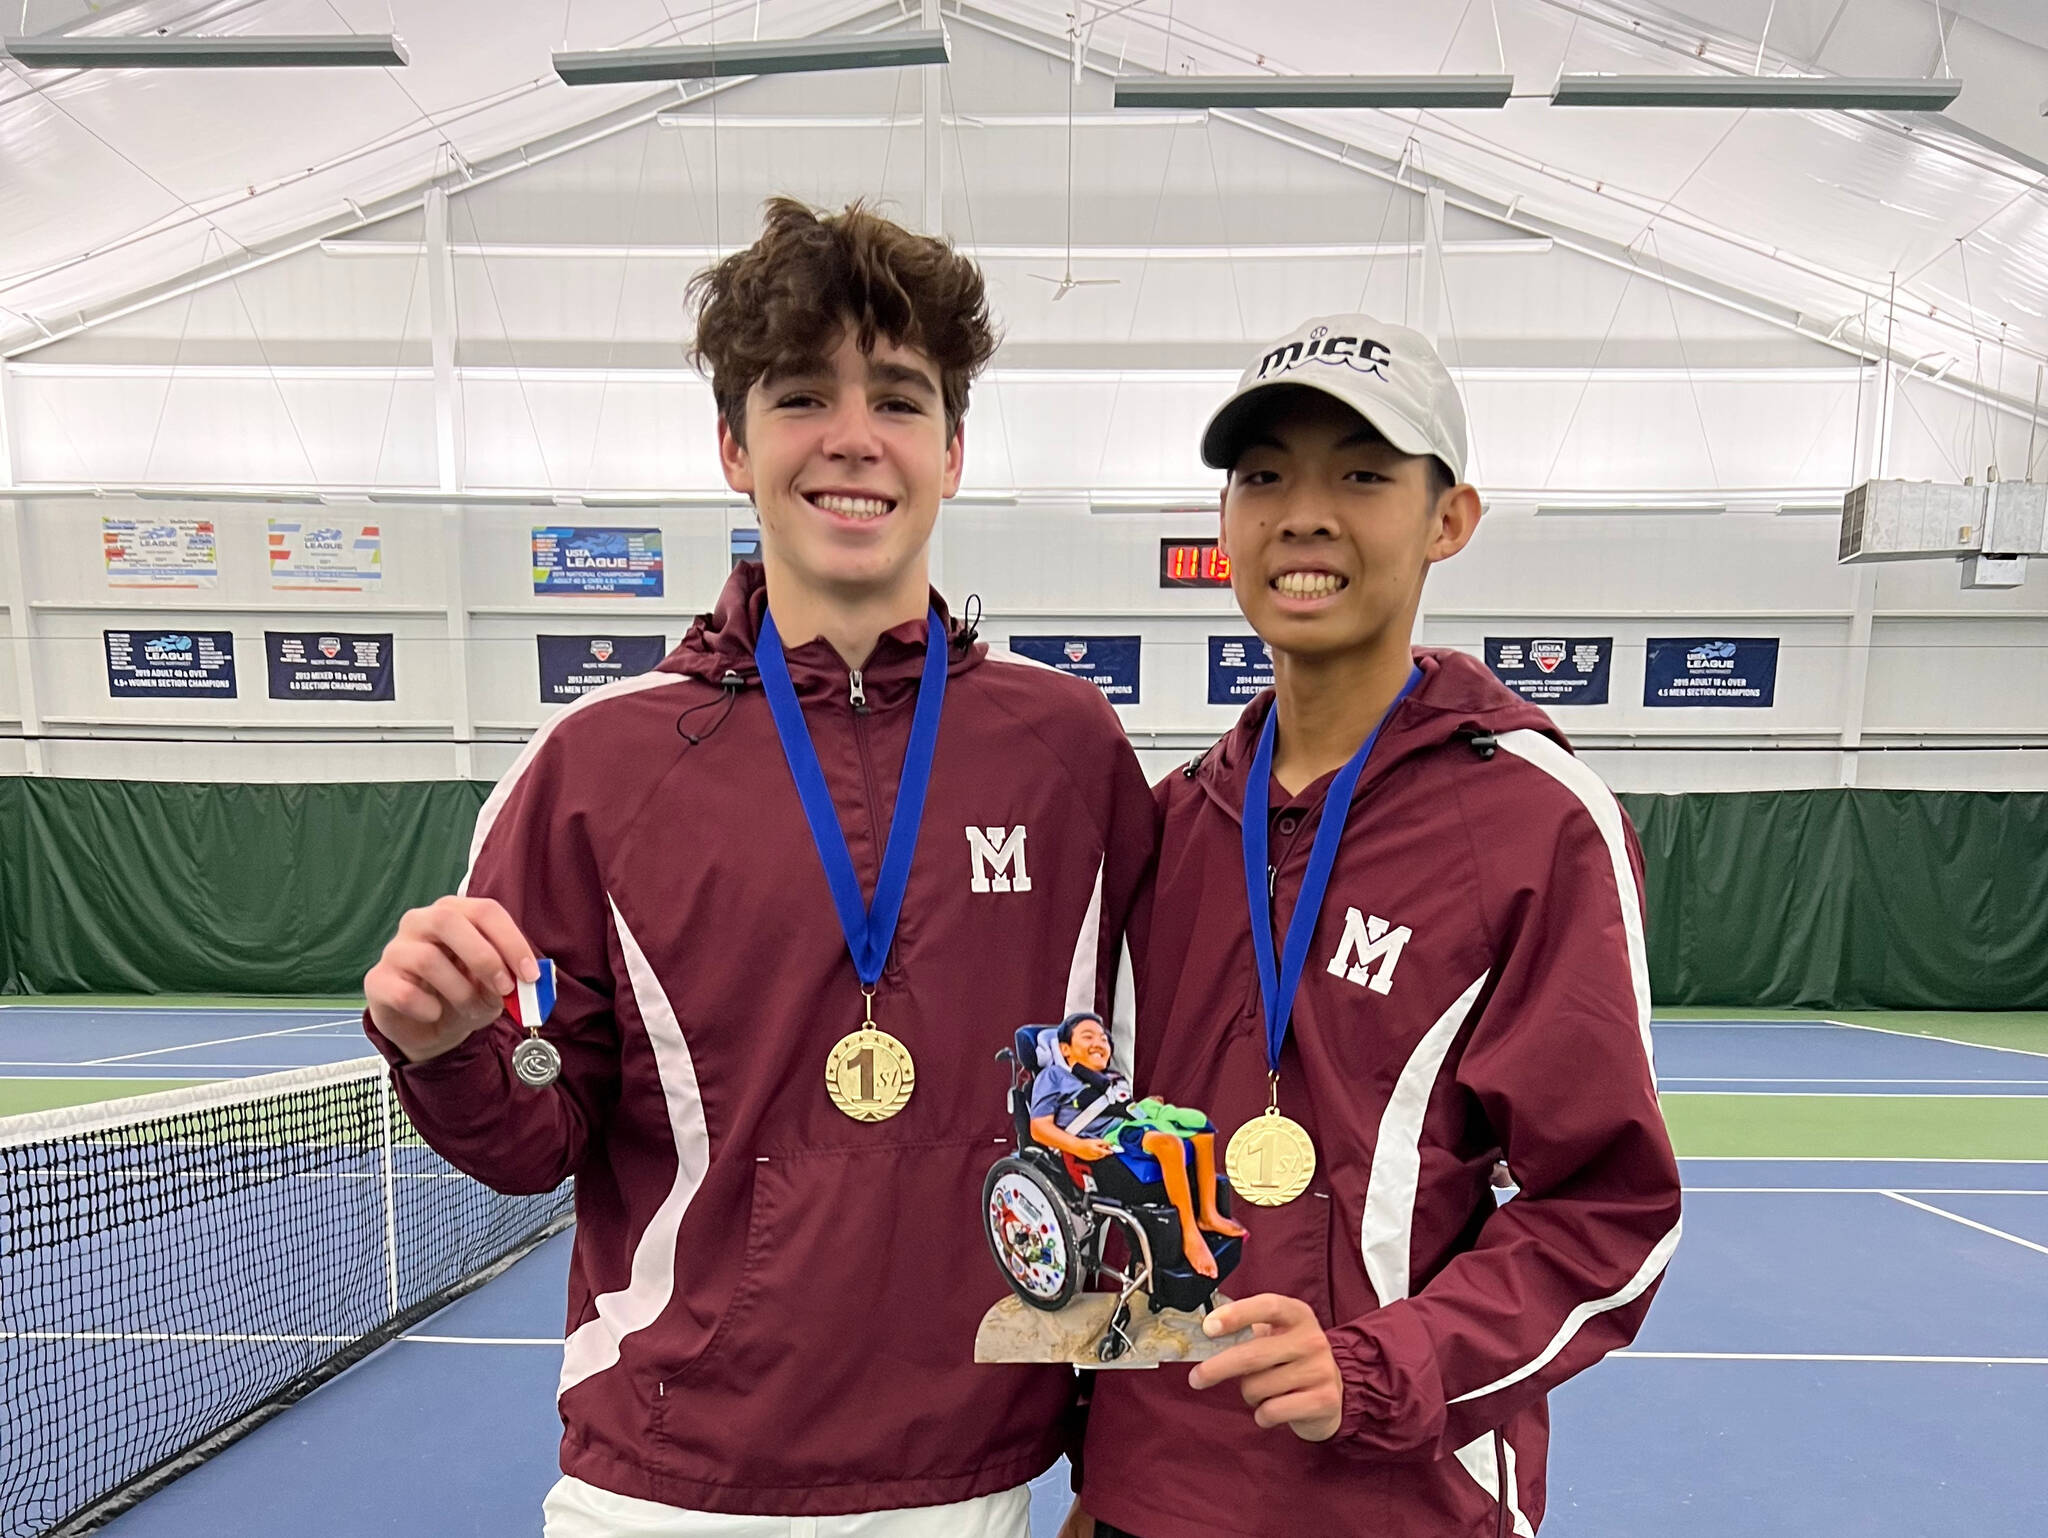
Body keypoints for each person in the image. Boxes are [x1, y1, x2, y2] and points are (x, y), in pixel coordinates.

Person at [361, 198, 1154, 1537]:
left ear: (954, 453)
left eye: (898, 400)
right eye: (801, 397)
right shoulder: (600, 762)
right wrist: (448, 1045)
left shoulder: (1066, 747)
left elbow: (1133, 1097)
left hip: (983, 1477)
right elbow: (539, 1121)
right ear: (734, 445)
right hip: (668, 1480)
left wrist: (1120, 1461)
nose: (853, 436)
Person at [1075, 314, 1684, 1537]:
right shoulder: (1168, 825)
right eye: (1263, 477)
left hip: (1404, 1500)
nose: (1303, 513)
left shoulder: (1533, 821)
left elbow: (1604, 1210)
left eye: (1360, 473)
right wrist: (1106, 1469)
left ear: (1446, 519)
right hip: (1153, 1497)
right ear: (1226, 525)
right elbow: (1118, 1165)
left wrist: (1378, 1363)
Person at [1026, 1011, 1245, 1277]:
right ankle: (1190, 1233)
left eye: (1104, 1038)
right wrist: (1077, 1146)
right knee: (1168, 1144)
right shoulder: (1053, 1077)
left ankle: (1208, 1213)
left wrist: (1145, 1107)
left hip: (1132, 1125)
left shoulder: (1111, 1078)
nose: (1099, 1042)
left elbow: (1121, 1110)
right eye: (1088, 1036)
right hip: (1106, 1139)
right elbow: (1039, 1128)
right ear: (1065, 1049)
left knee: (1200, 1127)